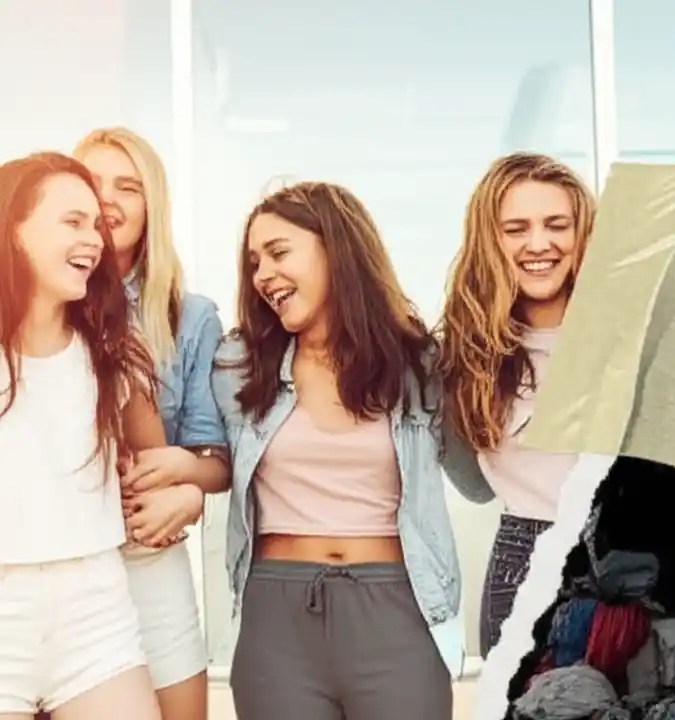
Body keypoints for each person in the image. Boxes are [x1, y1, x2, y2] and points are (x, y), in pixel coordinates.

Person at [211, 181, 493, 719]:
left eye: (278, 252)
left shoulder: (420, 367)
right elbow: (209, 454)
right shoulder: (239, 364)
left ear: (335, 248)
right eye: (253, 261)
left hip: (398, 614)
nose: (262, 275)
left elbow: (480, 482)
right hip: (277, 620)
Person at [0, 152, 164, 719]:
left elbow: (159, 468)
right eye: (72, 221)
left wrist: (184, 488)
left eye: (96, 223)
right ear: (14, 230)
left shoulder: (112, 357)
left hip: (97, 612)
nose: (94, 239)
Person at [72, 127, 230, 720]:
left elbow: (218, 456)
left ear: (152, 204)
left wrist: (188, 487)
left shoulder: (189, 317)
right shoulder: (34, 304)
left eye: (128, 186)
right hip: (61, 559)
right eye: (92, 182)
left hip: (146, 549)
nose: (108, 199)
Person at [437, 152, 595, 655]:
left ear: (583, 233)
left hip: (633, 554)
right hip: (524, 559)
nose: (538, 244)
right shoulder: (463, 355)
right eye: (515, 229)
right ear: (491, 241)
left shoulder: (627, 334)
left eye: (556, 225)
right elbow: (475, 487)